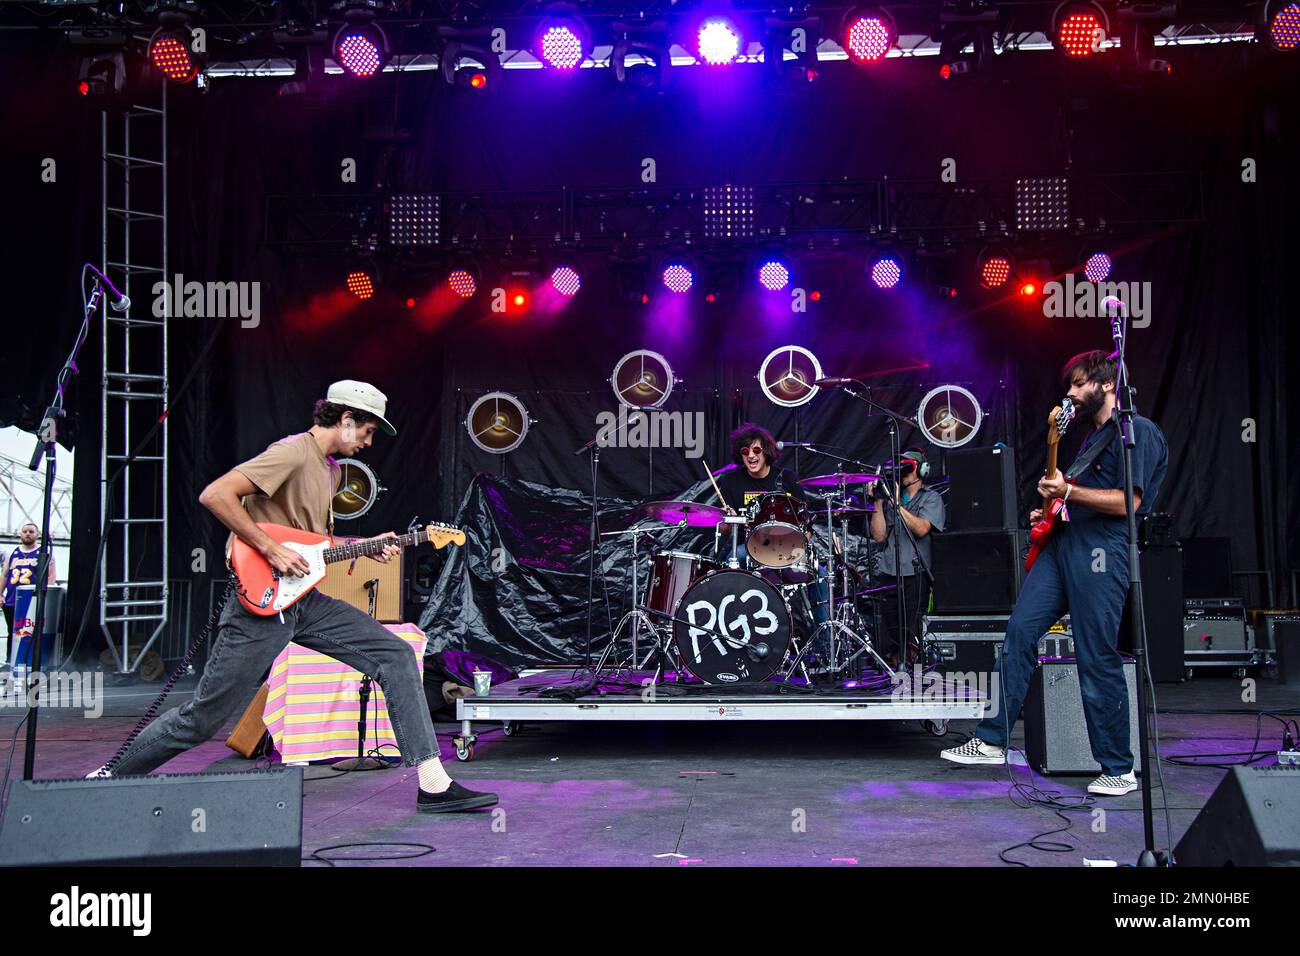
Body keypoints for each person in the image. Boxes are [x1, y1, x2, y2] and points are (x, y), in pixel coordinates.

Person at [91, 380, 497, 813]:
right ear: (345, 419)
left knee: (395, 656)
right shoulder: (292, 451)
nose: (369, 441)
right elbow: (216, 495)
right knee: (203, 718)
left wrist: (364, 544)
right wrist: (267, 548)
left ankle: (433, 784)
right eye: (367, 430)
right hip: (260, 607)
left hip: (305, 602)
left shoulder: (331, 470)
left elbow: (308, 545)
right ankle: (108, 777)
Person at [940, 350, 1168, 797]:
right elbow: (1079, 495)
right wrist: (1054, 506)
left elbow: (1130, 504)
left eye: (1080, 383)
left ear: (1105, 384)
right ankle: (992, 739)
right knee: (1019, 633)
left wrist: (1069, 490)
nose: (1070, 391)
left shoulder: (1135, 432)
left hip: (1103, 551)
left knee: (1095, 653)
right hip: (1063, 546)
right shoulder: (1091, 439)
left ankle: (1118, 766)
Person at [867, 448, 944, 666]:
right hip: (890, 569)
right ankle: (894, 671)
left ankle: (915, 669)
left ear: (922, 469)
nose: (903, 472)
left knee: (912, 628)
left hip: (916, 571)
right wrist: (879, 502)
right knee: (891, 630)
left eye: (907, 467)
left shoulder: (931, 498)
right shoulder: (890, 499)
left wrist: (896, 503)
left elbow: (921, 529)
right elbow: (879, 535)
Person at [3, 521, 56, 642]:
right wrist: (0, 594)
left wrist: (44, 596)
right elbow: (5, 575)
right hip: (12, 600)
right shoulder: (11, 553)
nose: (27, 534)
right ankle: (9, 659)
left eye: (31, 532)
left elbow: (51, 577)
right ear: (20, 534)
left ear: (37, 534)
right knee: (12, 632)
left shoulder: (45, 553)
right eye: (25, 531)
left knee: (30, 632)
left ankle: (29, 659)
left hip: (32, 599)